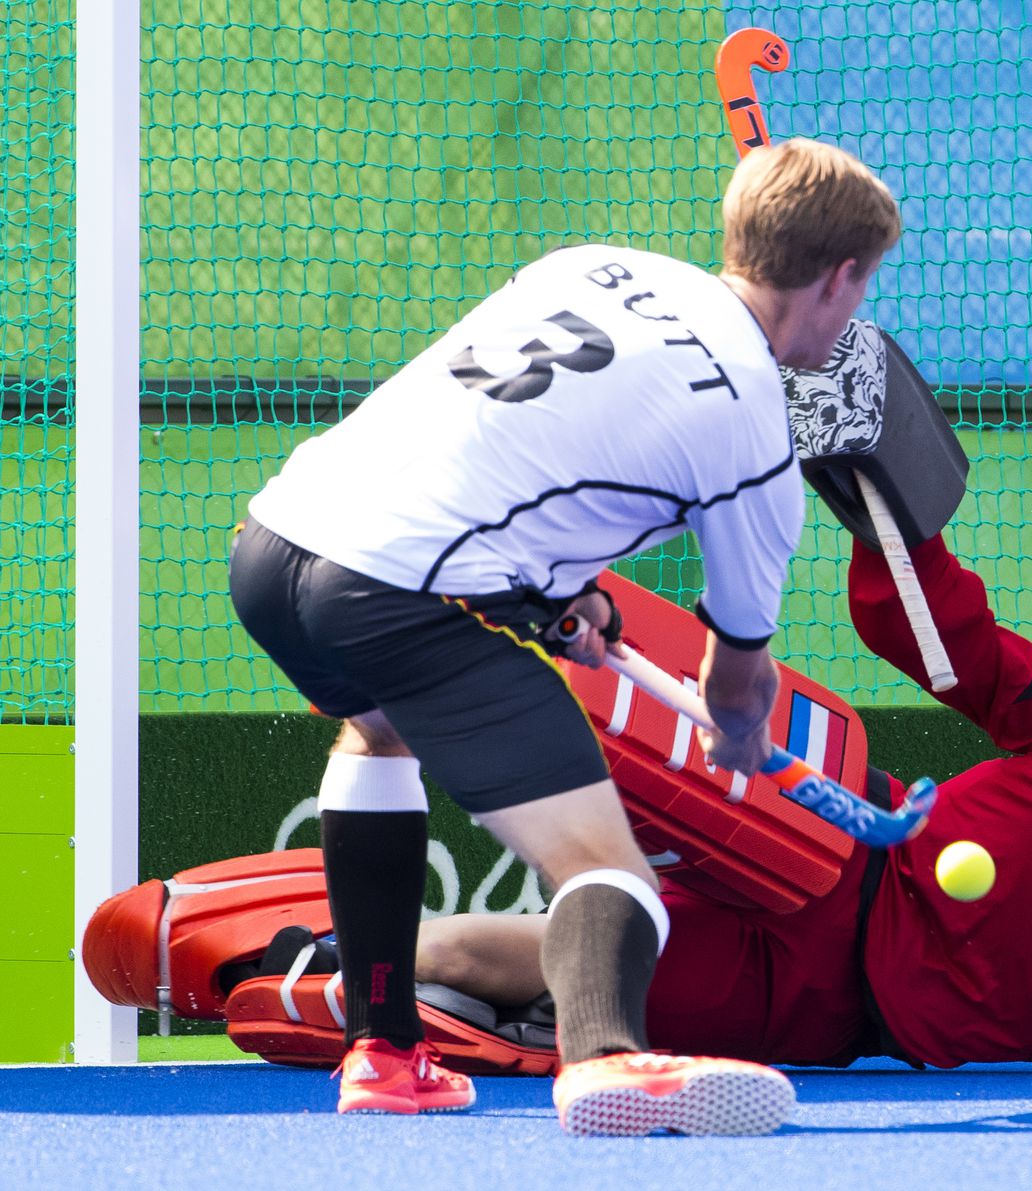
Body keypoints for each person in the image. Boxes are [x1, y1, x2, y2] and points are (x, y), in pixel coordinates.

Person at [224, 137, 901, 1133]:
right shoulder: (755, 431)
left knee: (380, 735)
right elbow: (737, 677)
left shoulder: (595, 266)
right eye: (864, 285)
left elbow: (501, 435)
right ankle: (607, 1063)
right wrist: (741, 739)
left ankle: (385, 1051)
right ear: (841, 278)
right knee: (608, 869)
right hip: (404, 591)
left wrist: (562, 587)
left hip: (277, 544)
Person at [368, 530, 1032, 1069]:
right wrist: (889, 511)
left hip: (828, 1007)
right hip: (836, 838)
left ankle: (331, 953)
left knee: (526, 967)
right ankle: (430, 624)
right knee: (607, 714)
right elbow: (958, 651)